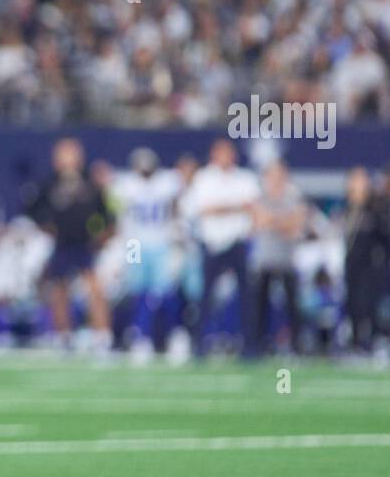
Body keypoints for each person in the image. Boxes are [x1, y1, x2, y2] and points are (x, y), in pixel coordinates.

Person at [30, 137, 112, 350]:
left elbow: (105, 213)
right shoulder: (50, 183)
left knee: (94, 288)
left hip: (85, 243)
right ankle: (63, 335)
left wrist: (102, 236)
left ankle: (102, 335)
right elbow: (34, 210)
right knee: (59, 289)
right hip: (62, 242)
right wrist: (47, 228)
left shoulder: (90, 182)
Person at [181, 138, 259, 356]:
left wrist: (225, 208)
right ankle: (199, 344)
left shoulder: (245, 178)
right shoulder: (204, 178)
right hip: (213, 244)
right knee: (205, 296)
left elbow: (253, 209)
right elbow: (205, 209)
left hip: (238, 242)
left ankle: (250, 345)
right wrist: (236, 207)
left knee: (246, 296)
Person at [112, 146, 182, 353]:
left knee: (165, 292)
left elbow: (176, 208)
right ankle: (140, 336)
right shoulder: (126, 184)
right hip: (134, 243)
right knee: (136, 291)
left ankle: (172, 335)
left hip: (161, 241)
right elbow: (119, 212)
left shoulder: (167, 182)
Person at [249, 160, 309, 355]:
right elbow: (258, 221)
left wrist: (273, 221)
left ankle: (297, 346)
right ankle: (258, 345)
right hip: (264, 259)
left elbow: (296, 225)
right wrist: (283, 221)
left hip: (287, 259)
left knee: (293, 306)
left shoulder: (293, 195)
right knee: (260, 306)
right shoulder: (260, 196)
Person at [340, 166, 390, 353]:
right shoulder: (348, 207)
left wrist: (382, 259)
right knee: (352, 302)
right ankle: (355, 341)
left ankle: (373, 340)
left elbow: (386, 237)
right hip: (351, 263)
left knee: (369, 303)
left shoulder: (375, 207)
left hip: (370, 264)